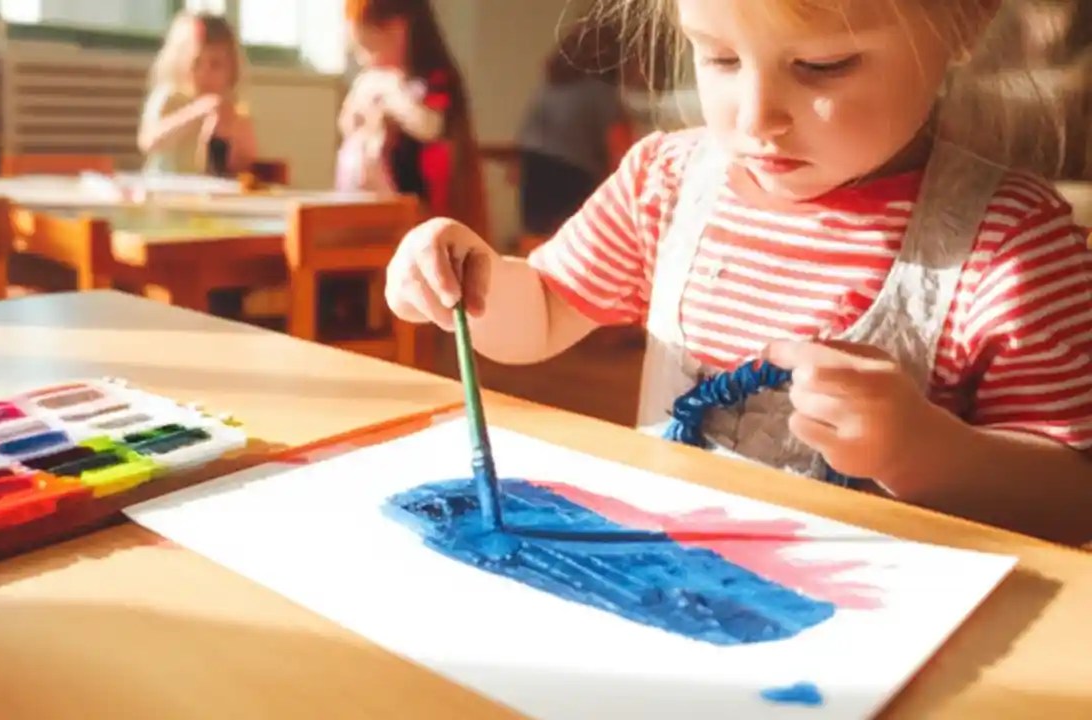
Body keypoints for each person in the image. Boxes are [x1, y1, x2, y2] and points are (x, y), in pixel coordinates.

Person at [383, 0, 1092, 545]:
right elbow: (538, 311)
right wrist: (467, 282)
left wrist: (926, 452)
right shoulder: (663, 184)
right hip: (663, 585)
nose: (757, 118)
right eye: (720, 59)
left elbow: (1069, 496)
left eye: (822, 65)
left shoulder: (1012, 246)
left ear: (965, 19)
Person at [337, 0, 488, 237]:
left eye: (368, 48)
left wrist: (391, 94)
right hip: (377, 212)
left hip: (426, 216)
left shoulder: (432, 80)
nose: (364, 60)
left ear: (398, 30)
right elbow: (347, 126)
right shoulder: (372, 81)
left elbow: (430, 126)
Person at [516, 21, 634, 237]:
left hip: (534, 165)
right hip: (574, 172)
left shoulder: (550, 85)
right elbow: (619, 149)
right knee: (572, 241)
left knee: (534, 238)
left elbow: (529, 129)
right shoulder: (602, 92)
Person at [138, 12, 257, 176]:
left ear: (231, 68)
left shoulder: (233, 109)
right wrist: (195, 112)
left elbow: (247, 160)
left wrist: (233, 135)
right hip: (164, 192)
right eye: (196, 63)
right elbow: (148, 141)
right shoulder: (170, 97)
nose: (204, 73)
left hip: (209, 194)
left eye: (216, 65)